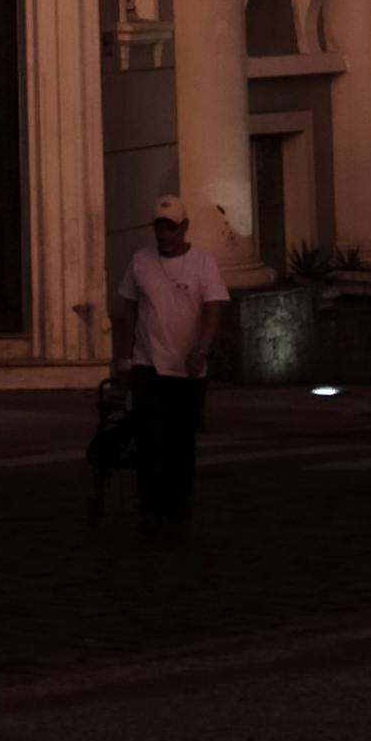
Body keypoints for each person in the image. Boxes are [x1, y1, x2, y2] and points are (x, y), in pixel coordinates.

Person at [121, 194, 232, 545]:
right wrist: (125, 357)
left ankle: (179, 510)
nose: (164, 236)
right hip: (148, 365)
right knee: (150, 442)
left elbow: (214, 308)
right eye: (159, 229)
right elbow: (128, 307)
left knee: (181, 443)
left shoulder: (202, 262)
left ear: (183, 228)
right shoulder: (140, 261)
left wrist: (202, 348)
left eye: (170, 229)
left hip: (187, 370)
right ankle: (150, 510)